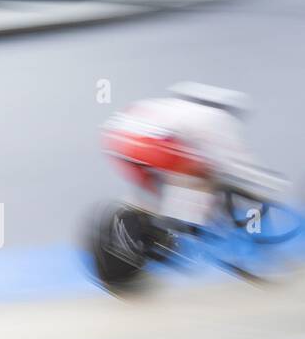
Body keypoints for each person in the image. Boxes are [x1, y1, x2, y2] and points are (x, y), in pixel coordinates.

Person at [102, 82, 284, 232]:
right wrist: (267, 183)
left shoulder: (177, 107)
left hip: (117, 140)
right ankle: (184, 221)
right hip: (147, 142)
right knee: (203, 175)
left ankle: (144, 220)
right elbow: (235, 161)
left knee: (162, 189)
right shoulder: (215, 117)